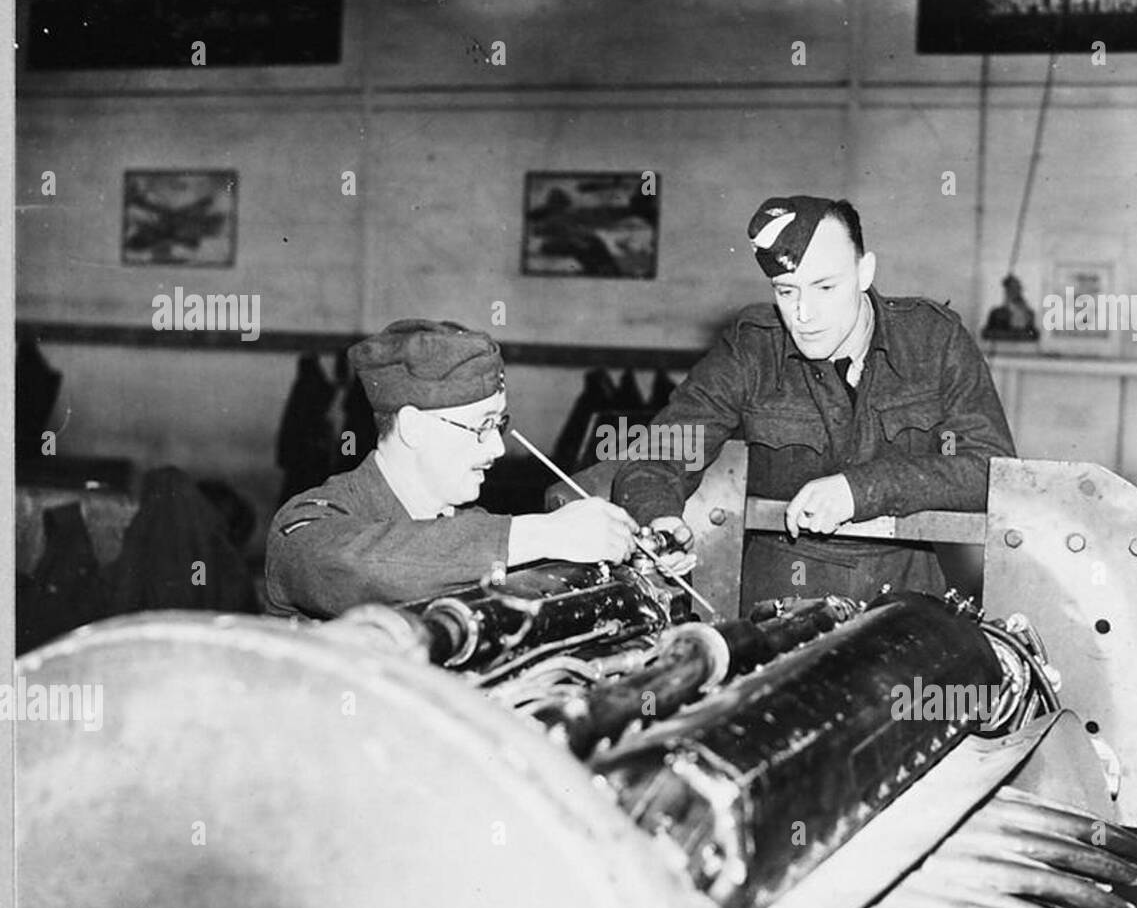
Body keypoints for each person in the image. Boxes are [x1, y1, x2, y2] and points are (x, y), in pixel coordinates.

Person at [611, 195, 1016, 608]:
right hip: (780, 605)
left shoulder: (934, 340)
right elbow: (658, 454)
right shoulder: (753, 349)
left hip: (906, 604)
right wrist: (657, 521)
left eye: (825, 287)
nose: (804, 314)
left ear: (864, 272)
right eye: (787, 291)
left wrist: (864, 489)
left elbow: (991, 469)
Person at [266, 319, 638, 618]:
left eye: (499, 425)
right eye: (480, 426)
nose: (495, 447)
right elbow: (361, 567)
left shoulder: (470, 527)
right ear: (412, 427)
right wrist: (543, 533)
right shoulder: (305, 525)